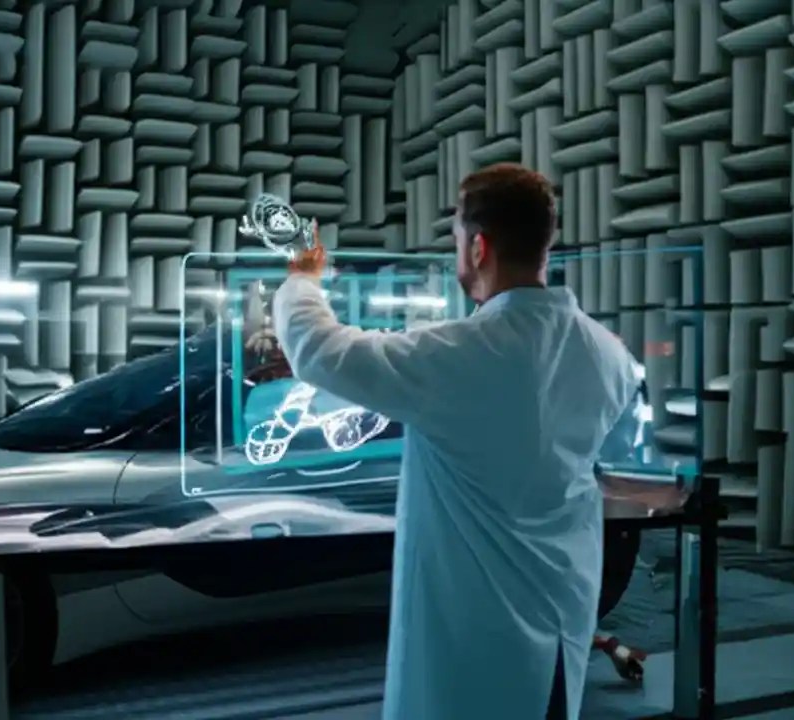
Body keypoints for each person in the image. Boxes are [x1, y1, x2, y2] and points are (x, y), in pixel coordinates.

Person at [270, 163, 643, 719]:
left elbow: (318, 349)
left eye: (457, 239)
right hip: (563, 618)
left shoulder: (459, 355)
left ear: (478, 247)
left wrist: (304, 276)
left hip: (476, 641)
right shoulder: (609, 355)